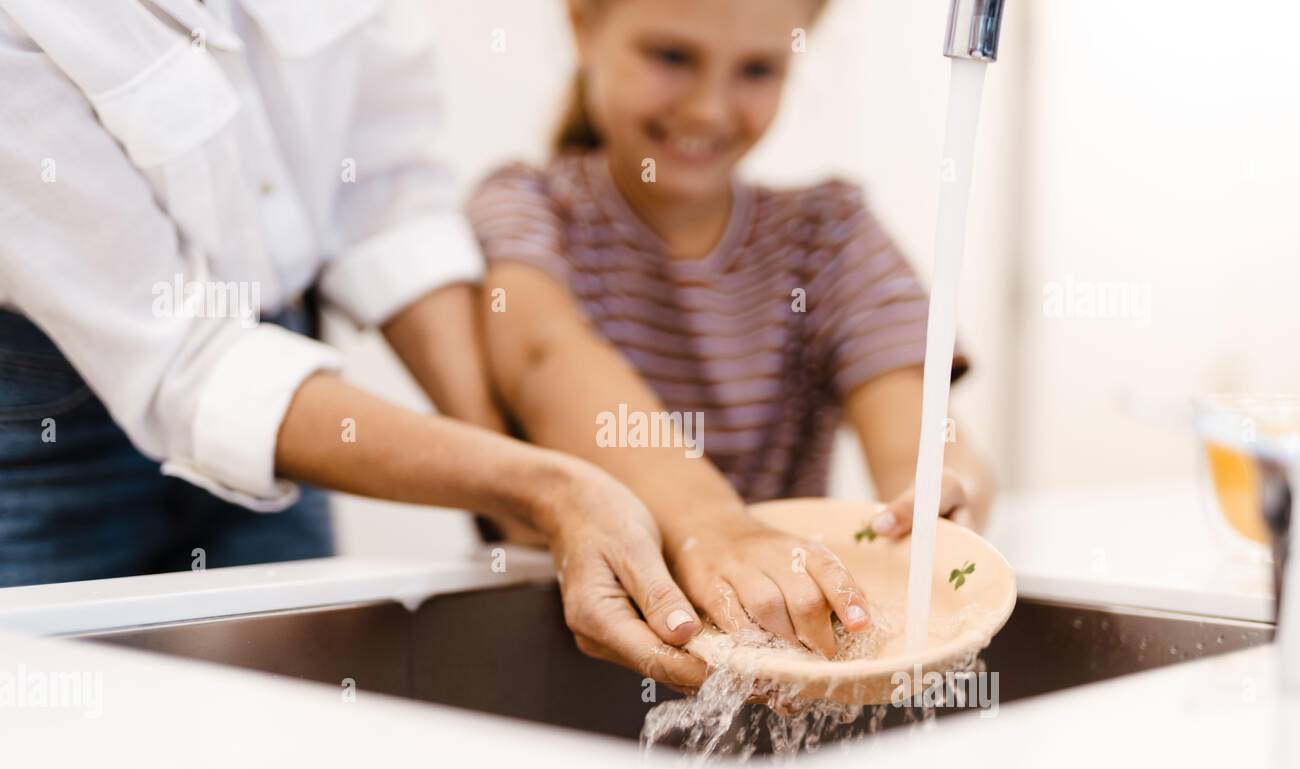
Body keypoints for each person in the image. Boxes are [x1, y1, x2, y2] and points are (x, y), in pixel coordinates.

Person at [0, 0, 709, 689]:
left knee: (285, 725)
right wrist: (541, 485)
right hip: (48, 424)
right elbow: (186, 361)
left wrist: (500, 460)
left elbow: (385, 199)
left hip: (282, 373)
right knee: (55, 748)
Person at [465, 0, 995, 661]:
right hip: (552, 653)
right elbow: (544, 355)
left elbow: (920, 439)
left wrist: (948, 489)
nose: (709, 110)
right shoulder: (529, 209)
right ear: (583, 25)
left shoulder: (828, 238)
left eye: (757, 69)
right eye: (671, 56)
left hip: (781, 663)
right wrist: (708, 524)